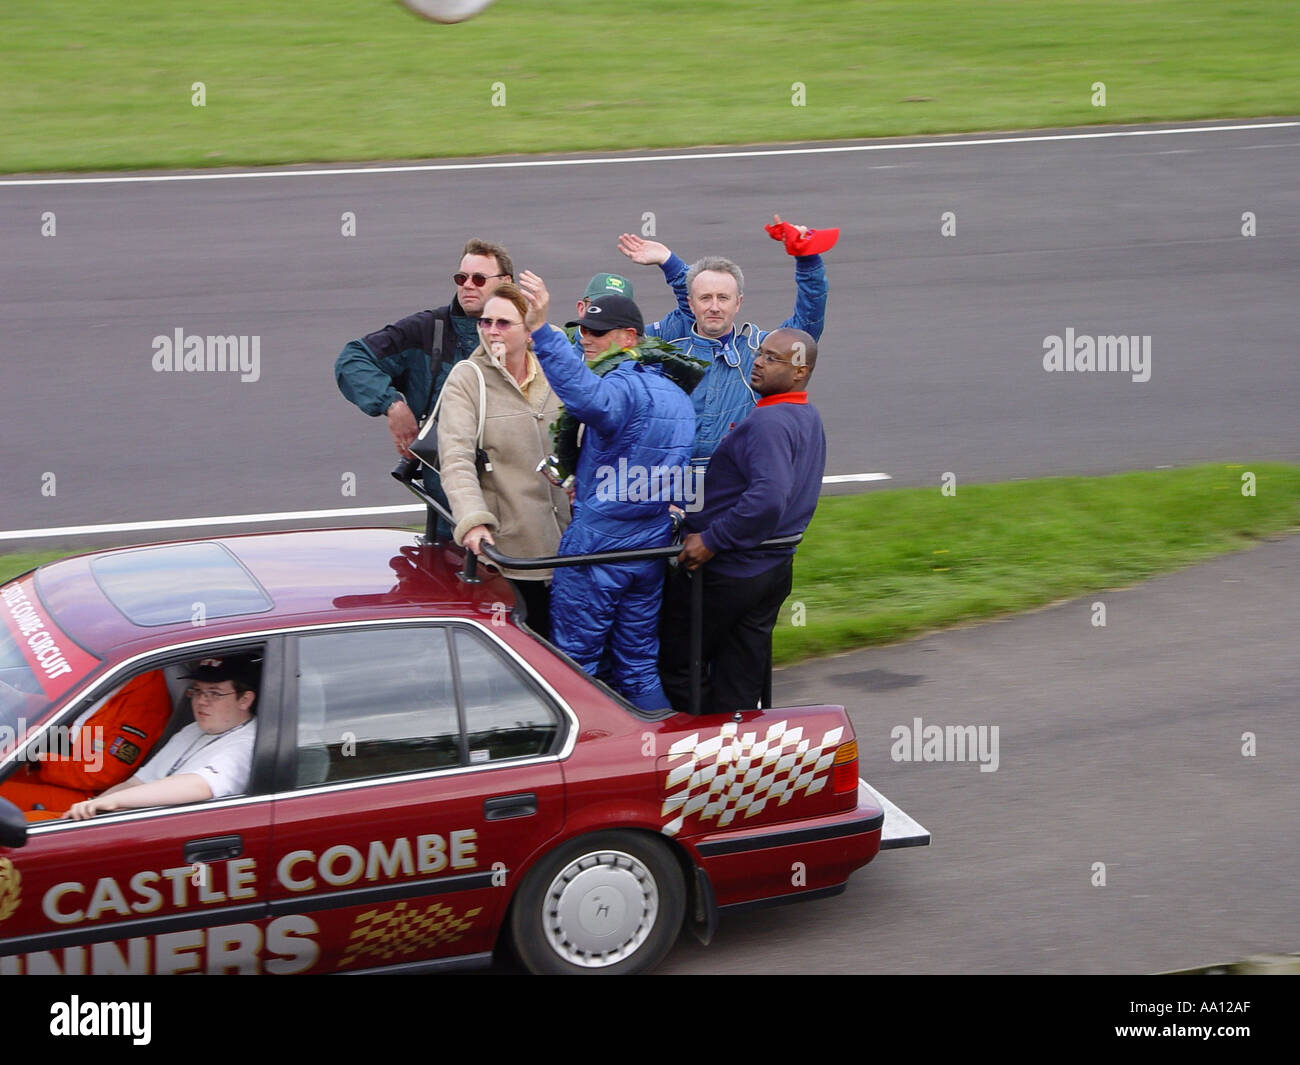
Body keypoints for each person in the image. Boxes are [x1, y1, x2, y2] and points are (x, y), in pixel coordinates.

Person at [519, 273, 696, 711]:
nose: (586, 339)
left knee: (575, 663)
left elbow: (585, 398)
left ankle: (587, 763)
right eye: (581, 330)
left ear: (629, 336)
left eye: (598, 332)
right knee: (637, 663)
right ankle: (659, 748)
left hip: (596, 546)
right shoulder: (675, 394)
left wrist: (542, 331)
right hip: (651, 543)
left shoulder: (621, 386)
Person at [659, 329, 827, 716]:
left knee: (677, 660)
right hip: (773, 567)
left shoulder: (769, 423)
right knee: (741, 671)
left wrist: (711, 539)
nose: (759, 362)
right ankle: (737, 752)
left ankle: (705, 742)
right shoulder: (806, 414)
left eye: (773, 358)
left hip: (730, 570)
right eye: (761, 353)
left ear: (800, 372)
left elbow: (768, 499)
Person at [335, 238, 514, 537]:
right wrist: (392, 404)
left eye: (479, 279)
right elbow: (352, 359)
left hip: (516, 503)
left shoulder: (530, 334)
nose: (468, 285)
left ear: (505, 282)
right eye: (462, 278)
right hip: (451, 512)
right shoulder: (428, 329)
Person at [617, 214, 832, 462]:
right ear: (691, 304)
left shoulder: (759, 352)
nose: (714, 307)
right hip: (671, 482)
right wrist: (669, 261)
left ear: (738, 303)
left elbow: (806, 326)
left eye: (723, 298)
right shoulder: (665, 343)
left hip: (731, 483)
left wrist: (807, 260)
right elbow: (609, 345)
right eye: (705, 298)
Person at [437, 282, 571, 639]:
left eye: (503, 323)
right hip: (513, 553)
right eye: (486, 322)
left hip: (573, 546)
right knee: (534, 652)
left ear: (529, 331)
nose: (492, 330)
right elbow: (456, 459)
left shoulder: (555, 364)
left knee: (578, 653)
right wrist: (473, 522)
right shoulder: (467, 379)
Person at [64, 656, 260, 820]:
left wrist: (113, 801)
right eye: (198, 691)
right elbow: (137, 782)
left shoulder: (251, 742)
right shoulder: (193, 729)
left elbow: (201, 785)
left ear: (245, 700)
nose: (201, 701)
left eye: (214, 694)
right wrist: (93, 809)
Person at [0, 670, 172, 822]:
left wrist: (39, 759)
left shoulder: (144, 697)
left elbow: (103, 774)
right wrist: (20, 699)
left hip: (87, 795)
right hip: (61, 760)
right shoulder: (106, 665)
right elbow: (69, 710)